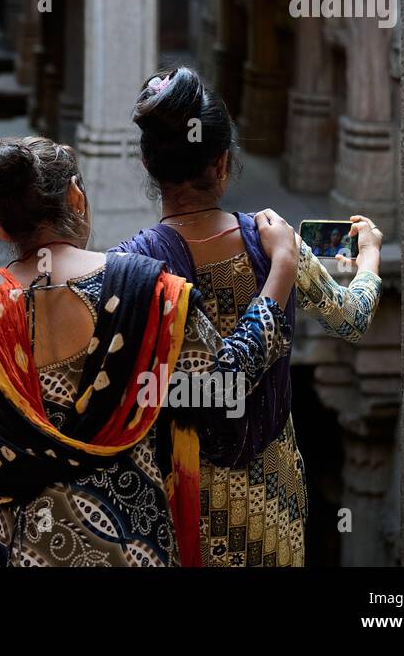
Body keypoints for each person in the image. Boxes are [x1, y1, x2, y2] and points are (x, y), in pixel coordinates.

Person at [0, 136, 299, 566]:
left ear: (1, 227)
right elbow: (222, 390)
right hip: (131, 549)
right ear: (76, 198)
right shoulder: (152, 295)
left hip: (17, 551)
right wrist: (280, 274)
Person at [117, 67, 383, 566]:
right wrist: (366, 254)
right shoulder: (272, 240)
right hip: (271, 495)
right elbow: (351, 318)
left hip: (181, 491)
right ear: (222, 164)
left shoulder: (132, 267)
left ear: (151, 166)